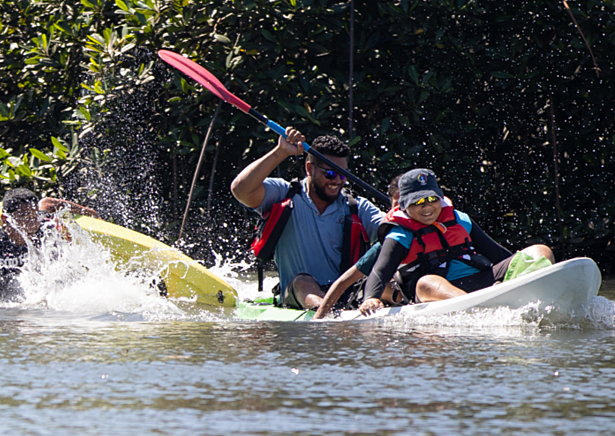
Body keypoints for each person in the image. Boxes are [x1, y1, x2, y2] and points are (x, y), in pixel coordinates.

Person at [357, 169, 555, 316]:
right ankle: (478, 310)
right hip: (436, 290)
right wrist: (371, 298)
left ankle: (536, 295)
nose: (426, 207)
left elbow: (498, 255)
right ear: (403, 206)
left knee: (539, 251)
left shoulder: (459, 219)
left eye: (431, 199)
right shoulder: (401, 233)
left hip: (480, 279)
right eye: (417, 202)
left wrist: (519, 268)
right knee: (426, 282)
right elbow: (380, 271)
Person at [231, 130, 383, 310]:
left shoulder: (356, 206)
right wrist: (281, 152)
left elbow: (390, 230)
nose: (337, 181)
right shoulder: (283, 193)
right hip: (297, 294)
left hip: (345, 293)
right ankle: (327, 313)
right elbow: (240, 190)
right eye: (330, 174)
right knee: (304, 281)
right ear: (309, 169)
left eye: (343, 175)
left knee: (388, 279)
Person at [312, 173, 405, 319]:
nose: (403, 212)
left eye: (407, 204)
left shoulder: (447, 227)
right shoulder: (389, 242)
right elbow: (342, 282)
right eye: (398, 206)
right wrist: (318, 319)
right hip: (370, 294)